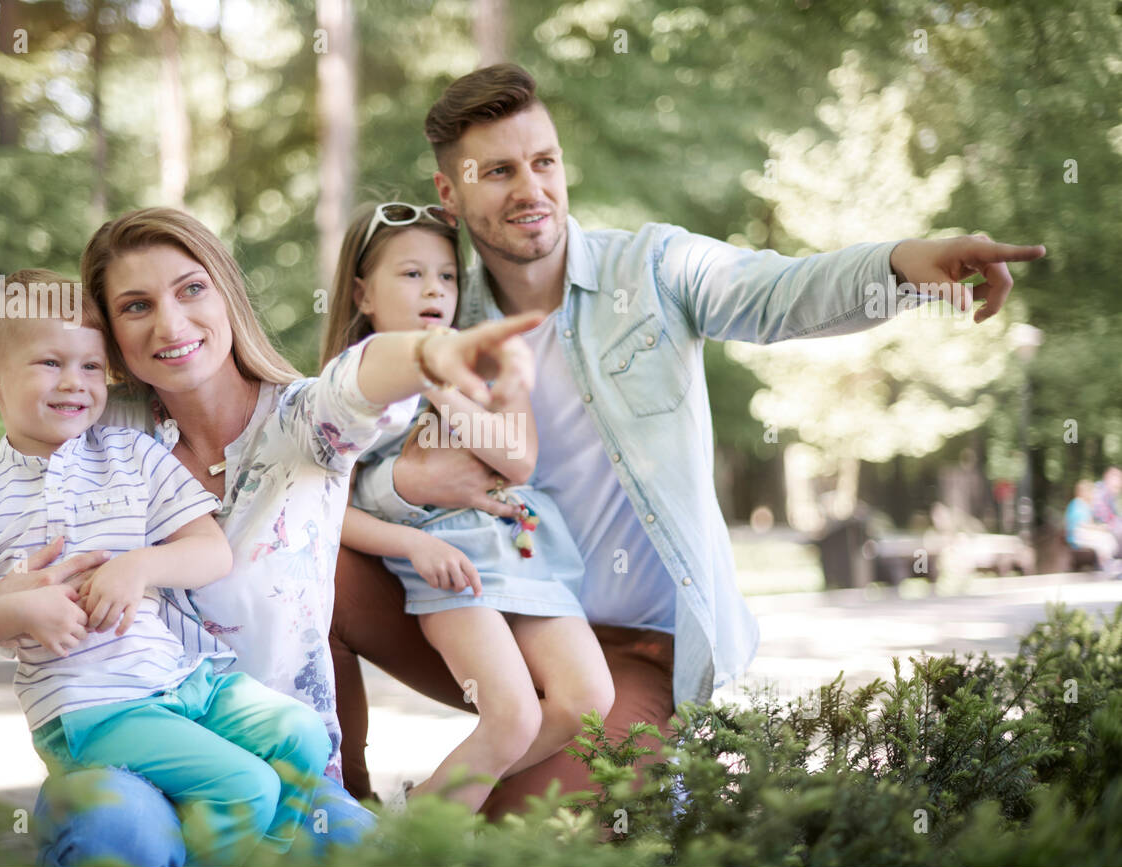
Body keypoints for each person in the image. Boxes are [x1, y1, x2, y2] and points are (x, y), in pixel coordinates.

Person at [332, 62, 1048, 817]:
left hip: (638, 650)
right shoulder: (439, 312)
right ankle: (341, 807)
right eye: (500, 171)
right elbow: (354, 464)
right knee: (326, 564)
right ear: (451, 194)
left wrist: (904, 265)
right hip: (505, 621)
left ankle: (553, 782)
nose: (531, 189)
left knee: (525, 835)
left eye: (544, 162)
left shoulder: (653, 268)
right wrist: (410, 484)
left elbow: (780, 293)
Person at [0, 210, 542, 864]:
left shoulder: (301, 423)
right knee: (118, 833)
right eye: (137, 305)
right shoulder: (93, 438)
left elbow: (356, 381)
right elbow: (4, 553)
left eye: (191, 289)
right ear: (110, 334)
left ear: (226, 293)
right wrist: (12, 598)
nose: (170, 323)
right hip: (131, 767)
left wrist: (426, 354)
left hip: (282, 778)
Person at [0, 269, 330, 865]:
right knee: (248, 785)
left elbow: (211, 552)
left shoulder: (131, 454)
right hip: (90, 707)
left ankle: (244, 853)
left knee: (302, 735)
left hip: (183, 681)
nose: (74, 384)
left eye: (90, 367)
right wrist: (20, 607)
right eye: (49, 363)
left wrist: (139, 566)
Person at [322, 202, 613, 810]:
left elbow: (518, 460)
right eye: (411, 274)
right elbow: (328, 509)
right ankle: (414, 843)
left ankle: (418, 809)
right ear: (361, 293)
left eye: (447, 275)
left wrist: (444, 387)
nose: (434, 288)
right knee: (510, 716)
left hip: (528, 554)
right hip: (451, 570)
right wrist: (414, 543)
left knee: (586, 702)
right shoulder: (353, 390)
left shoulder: (484, 363)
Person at [1071, 476, 1122, 574]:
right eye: (1089, 492)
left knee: (1107, 538)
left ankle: (1107, 564)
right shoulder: (1078, 504)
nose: (1092, 495)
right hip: (1078, 537)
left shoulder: (1083, 505)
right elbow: (1082, 525)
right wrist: (1099, 528)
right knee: (1105, 540)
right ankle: (1106, 565)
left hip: (1081, 535)